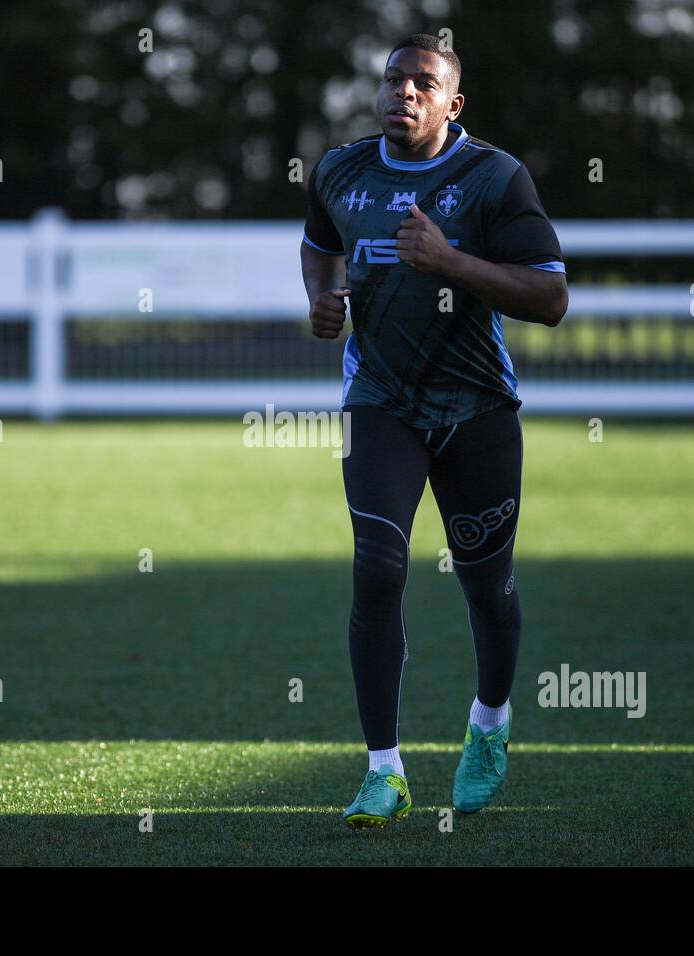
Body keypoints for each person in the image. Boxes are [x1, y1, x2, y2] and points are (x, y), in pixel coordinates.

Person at [298, 33, 568, 827]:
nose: (403, 93)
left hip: (477, 406)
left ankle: (489, 722)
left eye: (423, 83)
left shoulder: (492, 176)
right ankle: (385, 770)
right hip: (380, 401)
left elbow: (550, 299)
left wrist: (453, 264)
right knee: (378, 573)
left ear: (453, 104)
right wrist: (324, 299)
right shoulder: (341, 170)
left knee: (488, 586)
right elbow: (319, 245)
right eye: (392, 80)